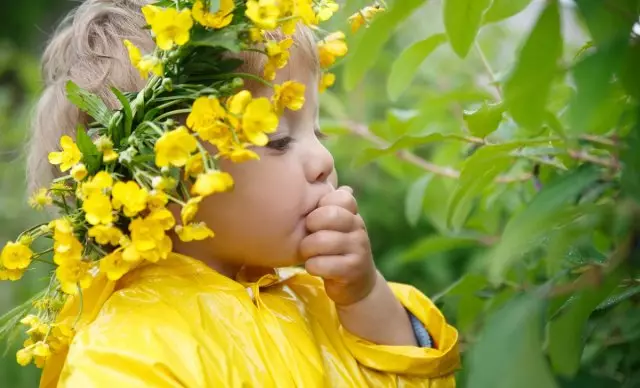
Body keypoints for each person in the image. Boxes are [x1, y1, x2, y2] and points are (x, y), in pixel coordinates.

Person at [21, 0, 459, 386]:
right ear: (160, 185)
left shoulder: (317, 297)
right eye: (278, 140)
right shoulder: (130, 352)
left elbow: (417, 380)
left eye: (316, 130)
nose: (323, 159)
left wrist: (366, 298)